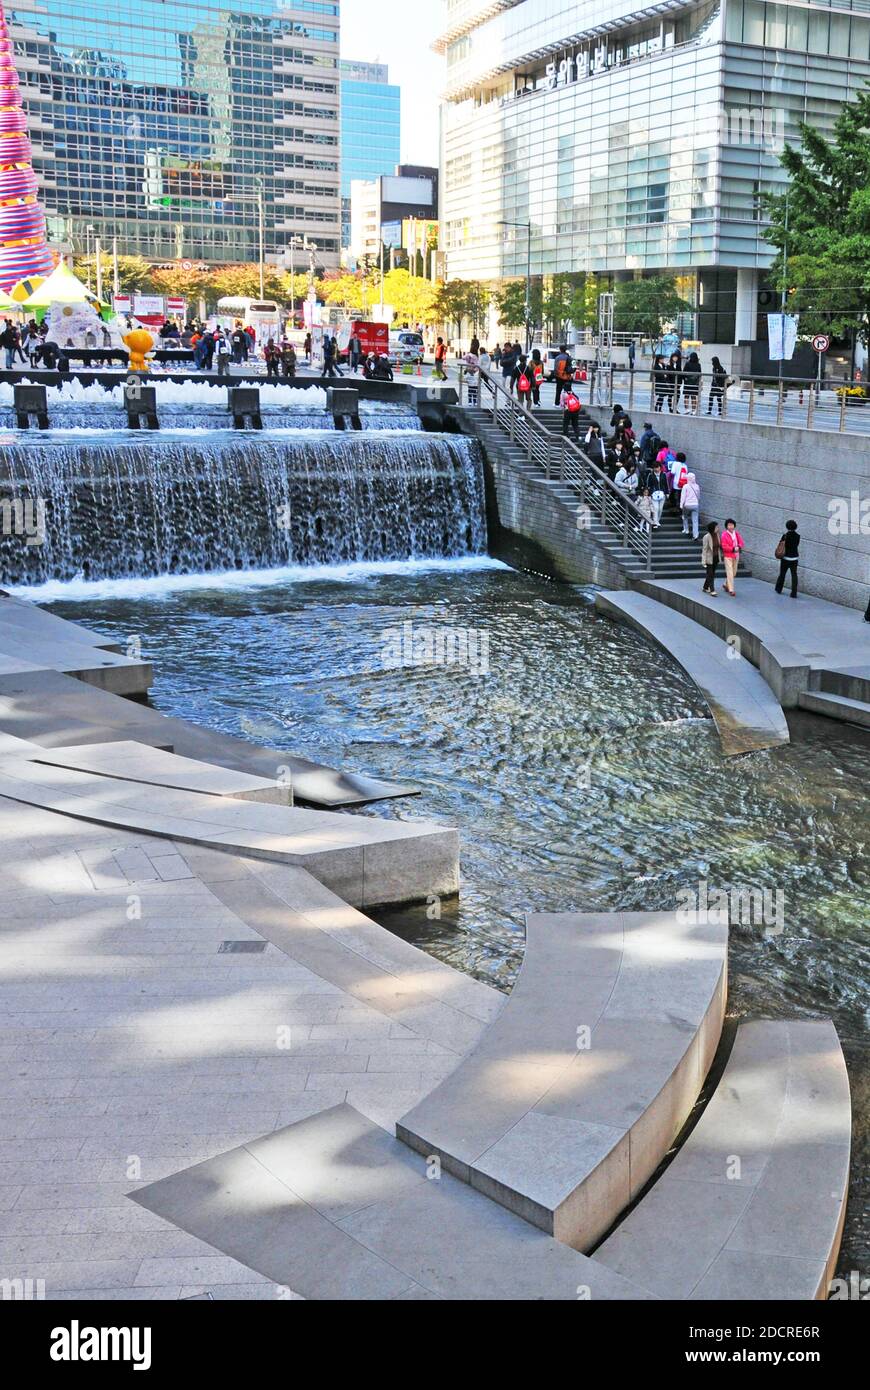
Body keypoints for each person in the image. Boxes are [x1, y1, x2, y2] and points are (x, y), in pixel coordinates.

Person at [774, 519, 800, 598]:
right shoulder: (798, 536)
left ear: (787, 526)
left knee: (782, 574)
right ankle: (794, 593)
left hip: (785, 558)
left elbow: (781, 545)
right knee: (794, 575)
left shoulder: (785, 536)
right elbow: (796, 545)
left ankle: (779, 589)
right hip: (794, 558)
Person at [720, 518, 745, 596]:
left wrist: (739, 546)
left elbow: (741, 542)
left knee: (734, 572)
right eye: (729, 525)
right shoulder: (724, 535)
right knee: (730, 573)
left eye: (732, 525)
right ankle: (731, 589)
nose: (730, 526)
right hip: (728, 556)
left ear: (734, 526)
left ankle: (725, 584)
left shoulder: (736, 533)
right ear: (726, 526)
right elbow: (724, 546)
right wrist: (733, 548)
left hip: (736, 555)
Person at [646, 461, 668, 527]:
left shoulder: (664, 474)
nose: (656, 469)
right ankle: (655, 522)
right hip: (653, 494)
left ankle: (657, 520)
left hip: (662, 493)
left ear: (660, 467)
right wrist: (649, 494)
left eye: (657, 467)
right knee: (656, 508)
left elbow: (666, 484)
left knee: (660, 509)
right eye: (655, 468)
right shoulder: (650, 475)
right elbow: (648, 485)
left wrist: (667, 492)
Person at [680, 470, 701, 539]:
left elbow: (683, 496)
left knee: (685, 516)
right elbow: (698, 496)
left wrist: (681, 504)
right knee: (695, 520)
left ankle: (686, 529)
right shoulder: (697, 486)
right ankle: (696, 535)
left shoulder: (685, 486)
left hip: (687, 505)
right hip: (695, 505)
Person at [702, 522, 721, 595]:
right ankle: (712, 590)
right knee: (710, 574)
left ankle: (705, 587)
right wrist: (703, 561)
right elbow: (704, 550)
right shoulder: (706, 537)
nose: (718, 528)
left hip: (716, 558)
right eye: (716, 527)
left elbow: (719, 546)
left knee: (712, 573)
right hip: (709, 559)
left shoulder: (717, 535)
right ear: (712, 528)